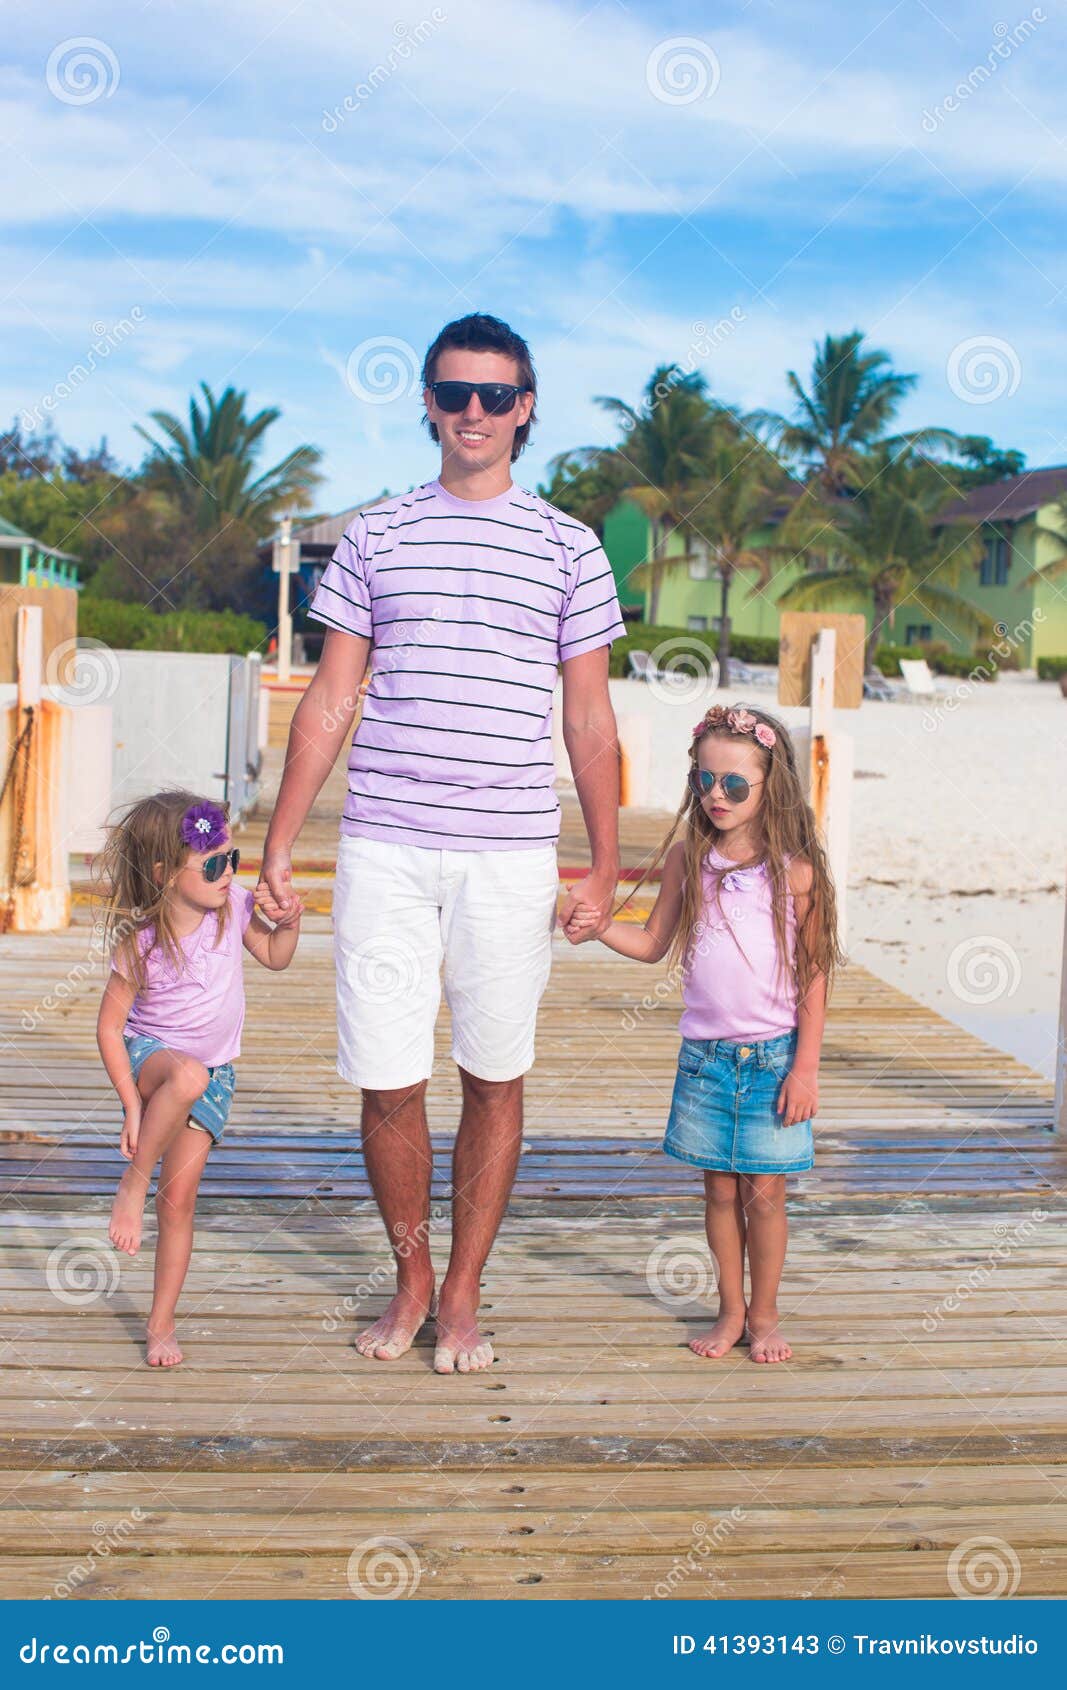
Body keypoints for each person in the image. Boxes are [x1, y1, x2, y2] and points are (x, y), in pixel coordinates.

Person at [257, 312, 624, 1375]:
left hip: (509, 854)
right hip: (383, 844)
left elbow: (588, 719)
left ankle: (463, 1289)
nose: (474, 412)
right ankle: (411, 1273)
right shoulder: (375, 534)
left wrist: (604, 865)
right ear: (426, 403)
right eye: (454, 393)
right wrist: (280, 843)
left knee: (494, 1076)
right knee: (386, 1079)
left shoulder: (571, 546)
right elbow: (331, 698)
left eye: (494, 396)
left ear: (524, 409)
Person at [568, 704, 841, 1363]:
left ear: (770, 786)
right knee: (718, 1191)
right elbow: (653, 943)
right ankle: (730, 1311)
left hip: (773, 1061)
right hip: (704, 1062)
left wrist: (805, 1069)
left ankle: (765, 1317)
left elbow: (813, 976)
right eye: (705, 780)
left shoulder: (795, 872)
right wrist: (599, 927)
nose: (717, 795)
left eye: (735, 784)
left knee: (765, 1196)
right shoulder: (689, 860)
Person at [97, 791, 302, 1367]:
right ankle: (133, 1184)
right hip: (153, 1060)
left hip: (214, 1074)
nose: (228, 872)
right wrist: (131, 1105)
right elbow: (109, 1028)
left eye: (231, 859)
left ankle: (161, 1323)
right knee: (184, 1075)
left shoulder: (232, 908)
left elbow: (276, 956)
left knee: (180, 1202)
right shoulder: (142, 942)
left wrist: (290, 924)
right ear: (165, 872)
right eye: (212, 865)